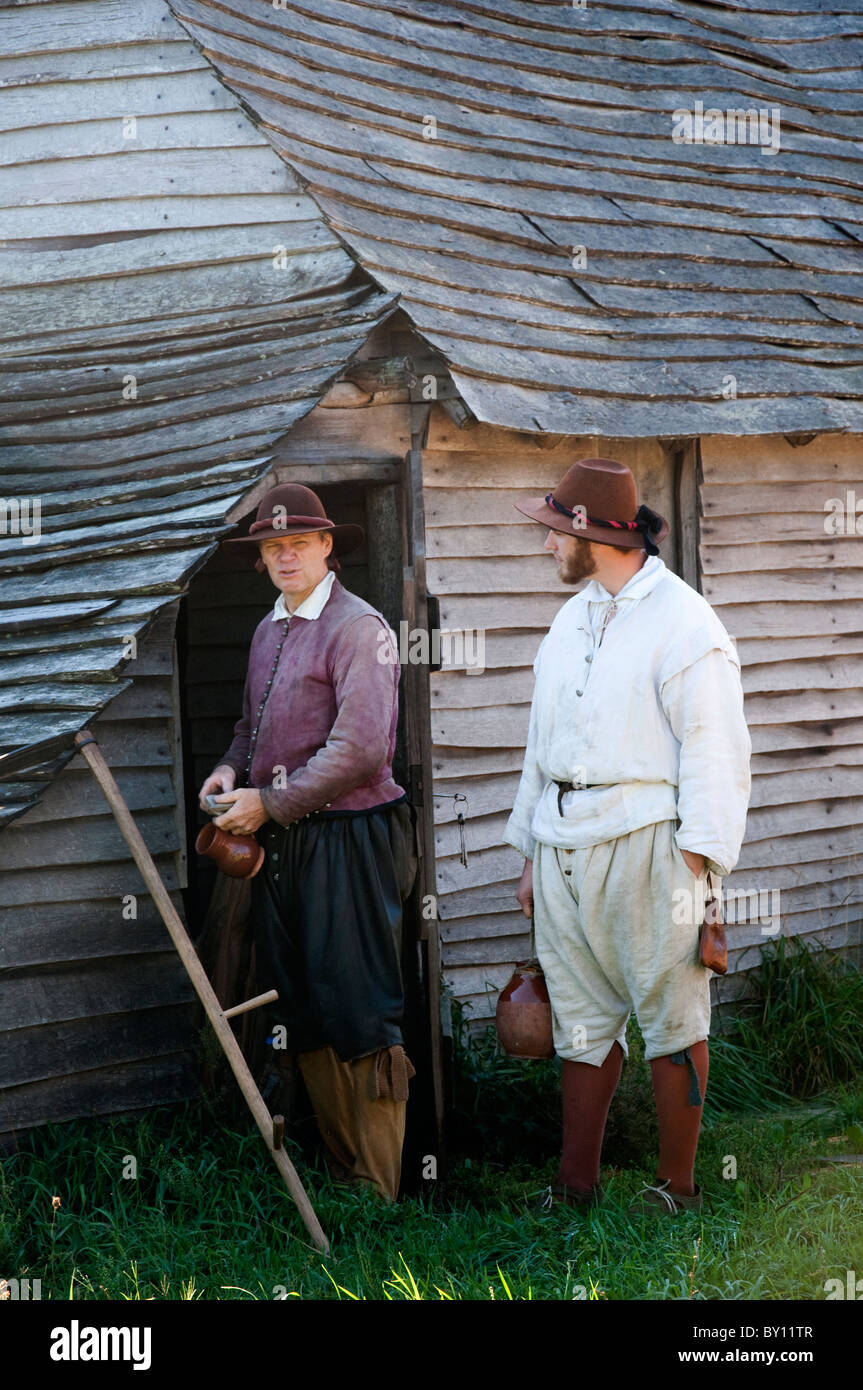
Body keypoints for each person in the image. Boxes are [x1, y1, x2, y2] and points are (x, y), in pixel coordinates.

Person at [503, 457, 751, 1215]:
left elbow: (715, 746)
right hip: (563, 840)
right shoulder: (570, 616)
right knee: (578, 1019)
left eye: (554, 533)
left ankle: (676, 1189)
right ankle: (574, 1187)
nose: (546, 545)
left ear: (592, 534)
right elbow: (538, 741)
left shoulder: (683, 622)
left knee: (671, 1014)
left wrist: (698, 862)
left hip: (651, 841)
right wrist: (529, 849)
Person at [198, 483, 417, 1202]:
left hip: (352, 837)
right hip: (286, 839)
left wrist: (271, 803)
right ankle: (343, 1169)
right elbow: (247, 730)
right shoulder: (270, 630)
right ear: (260, 559)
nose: (284, 554)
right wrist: (233, 771)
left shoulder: (360, 629)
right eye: (270, 546)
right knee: (305, 1003)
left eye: (297, 542)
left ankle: (380, 1187)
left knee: (358, 1003)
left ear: (328, 546)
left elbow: (359, 750)